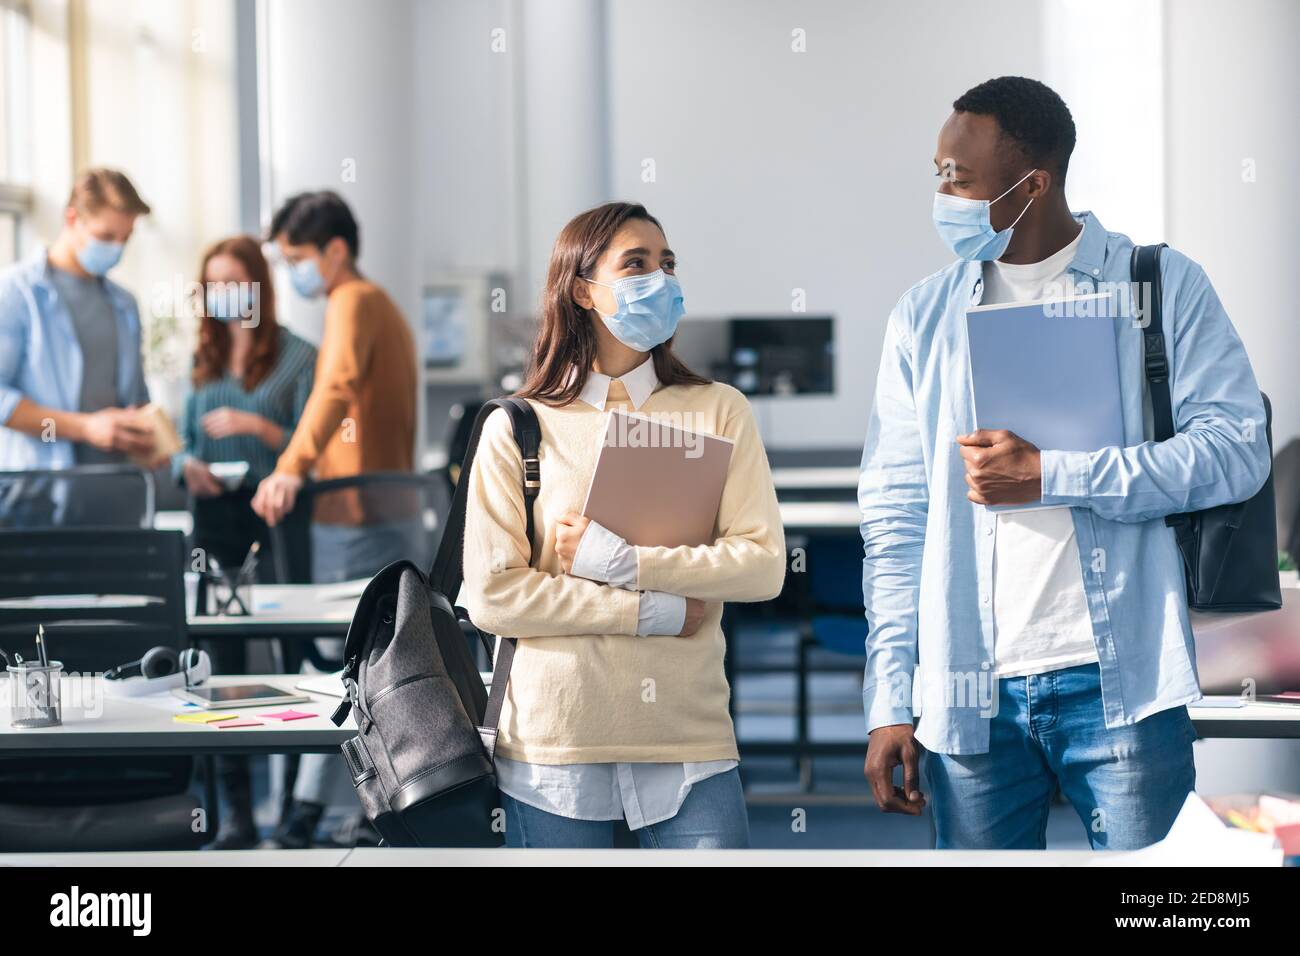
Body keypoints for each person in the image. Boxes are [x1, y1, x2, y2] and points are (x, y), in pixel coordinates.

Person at [860, 76, 1269, 849]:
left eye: (960, 178)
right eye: (937, 173)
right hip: (966, 691)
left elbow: (1236, 450)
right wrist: (890, 698)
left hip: (1122, 685)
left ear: (1033, 183)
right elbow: (895, 520)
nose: (941, 193)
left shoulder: (1159, 285)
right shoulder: (923, 317)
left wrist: (1056, 474)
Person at [461, 201, 786, 848]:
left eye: (667, 264)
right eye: (635, 264)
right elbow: (495, 595)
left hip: (688, 739)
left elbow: (762, 566)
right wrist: (650, 611)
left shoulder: (719, 410)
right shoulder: (515, 426)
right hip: (554, 742)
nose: (659, 279)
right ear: (582, 289)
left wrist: (623, 562)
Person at [251, 191, 418, 847]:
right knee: (371, 670)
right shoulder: (378, 305)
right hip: (381, 509)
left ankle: (311, 815)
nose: (295, 272)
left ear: (335, 251)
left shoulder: (353, 301)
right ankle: (344, 810)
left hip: (358, 514)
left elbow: (335, 386)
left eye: (297, 258)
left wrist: (291, 463)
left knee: (345, 674)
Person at [173, 235, 316, 848]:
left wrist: (259, 426)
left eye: (236, 281)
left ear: (258, 286)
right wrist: (187, 465)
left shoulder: (298, 355)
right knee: (219, 664)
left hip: (275, 518)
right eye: (215, 284)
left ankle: (289, 812)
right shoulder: (201, 359)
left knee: (289, 657)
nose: (226, 296)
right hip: (214, 518)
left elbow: (313, 446)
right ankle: (234, 814)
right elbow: (182, 441)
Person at [0, 169, 160, 484]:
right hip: (40, 488)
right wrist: (84, 428)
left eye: (124, 239)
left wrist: (152, 438)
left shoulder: (124, 304)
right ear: (72, 219)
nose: (116, 248)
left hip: (117, 486)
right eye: (106, 237)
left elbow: (136, 397)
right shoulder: (15, 293)